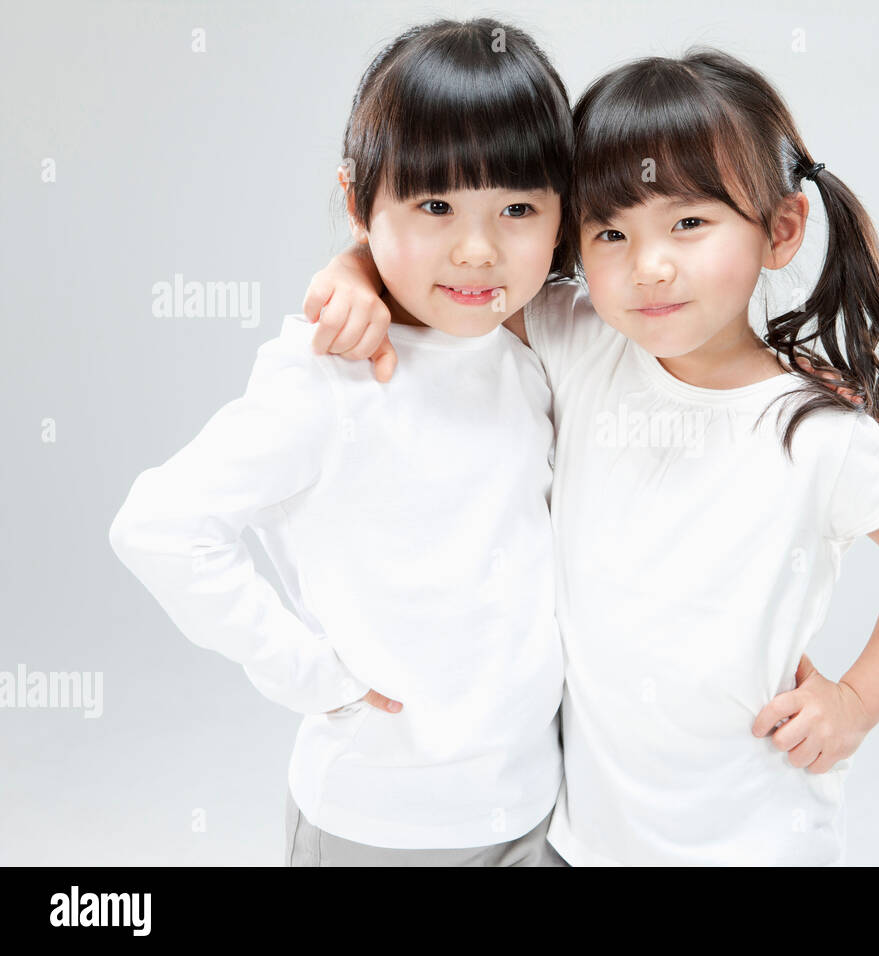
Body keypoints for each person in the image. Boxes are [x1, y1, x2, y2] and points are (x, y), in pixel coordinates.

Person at [304, 48, 879, 866]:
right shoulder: (581, 341)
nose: (648, 266)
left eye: (689, 223)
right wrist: (354, 271)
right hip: (585, 840)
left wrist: (859, 702)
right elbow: (452, 281)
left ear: (781, 228)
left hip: (757, 837)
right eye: (610, 232)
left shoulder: (816, 430)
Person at [108, 18, 576, 866]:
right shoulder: (330, 371)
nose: (478, 249)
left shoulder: (536, 349)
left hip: (533, 808)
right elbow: (158, 525)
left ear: (561, 216)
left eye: (516, 208)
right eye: (435, 205)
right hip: (376, 823)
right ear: (360, 204)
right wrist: (311, 676)